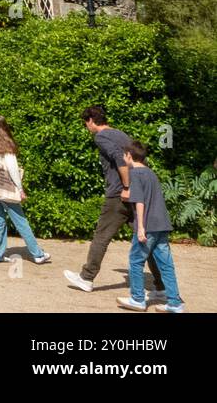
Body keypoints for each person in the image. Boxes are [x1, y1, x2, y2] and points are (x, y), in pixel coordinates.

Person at [63, 107, 164, 299]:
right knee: (145, 237)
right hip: (138, 193)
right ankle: (161, 287)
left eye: (86, 123)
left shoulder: (101, 137)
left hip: (120, 194)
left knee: (102, 235)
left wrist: (126, 187)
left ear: (91, 120)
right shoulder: (121, 134)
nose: (87, 127)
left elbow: (120, 159)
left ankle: (86, 278)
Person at [118, 142, 185, 312]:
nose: (123, 158)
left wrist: (140, 227)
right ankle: (175, 303)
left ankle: (137, 299)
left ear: (129, 156)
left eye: (124, 155)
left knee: (136, 260)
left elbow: (140, 202)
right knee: (166, 265)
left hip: (148, 226)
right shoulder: (150, 173)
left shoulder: (135, 174)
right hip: (162, 224)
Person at [0, 116, 50, 264]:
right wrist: (20, 188)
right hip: (3, 183)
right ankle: (38, 254)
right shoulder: (7, 147)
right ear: (4, 128)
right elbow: (13, 170)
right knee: (20, 220)